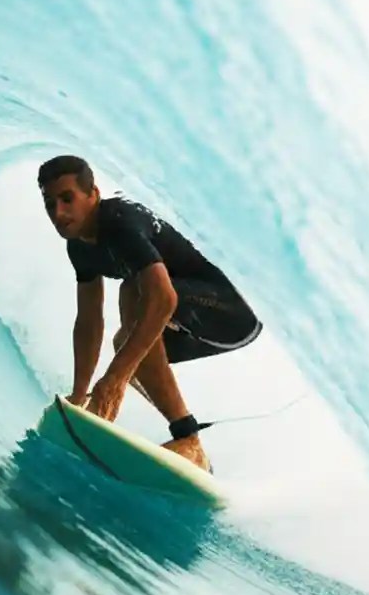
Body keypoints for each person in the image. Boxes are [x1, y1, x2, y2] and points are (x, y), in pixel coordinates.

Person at [38, 155, 262, 471]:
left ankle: (187, 437)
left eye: (67, 199)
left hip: (229, 316)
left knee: (135, 292)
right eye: (50, 204)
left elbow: (163, 298)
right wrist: (78, 397)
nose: (58, 213)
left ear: (93, 194)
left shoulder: (120, 224)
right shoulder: (79, 246)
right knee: (125, 343)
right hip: (188, 319)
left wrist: (115, 378)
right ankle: (192, 447)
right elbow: (89, 321)